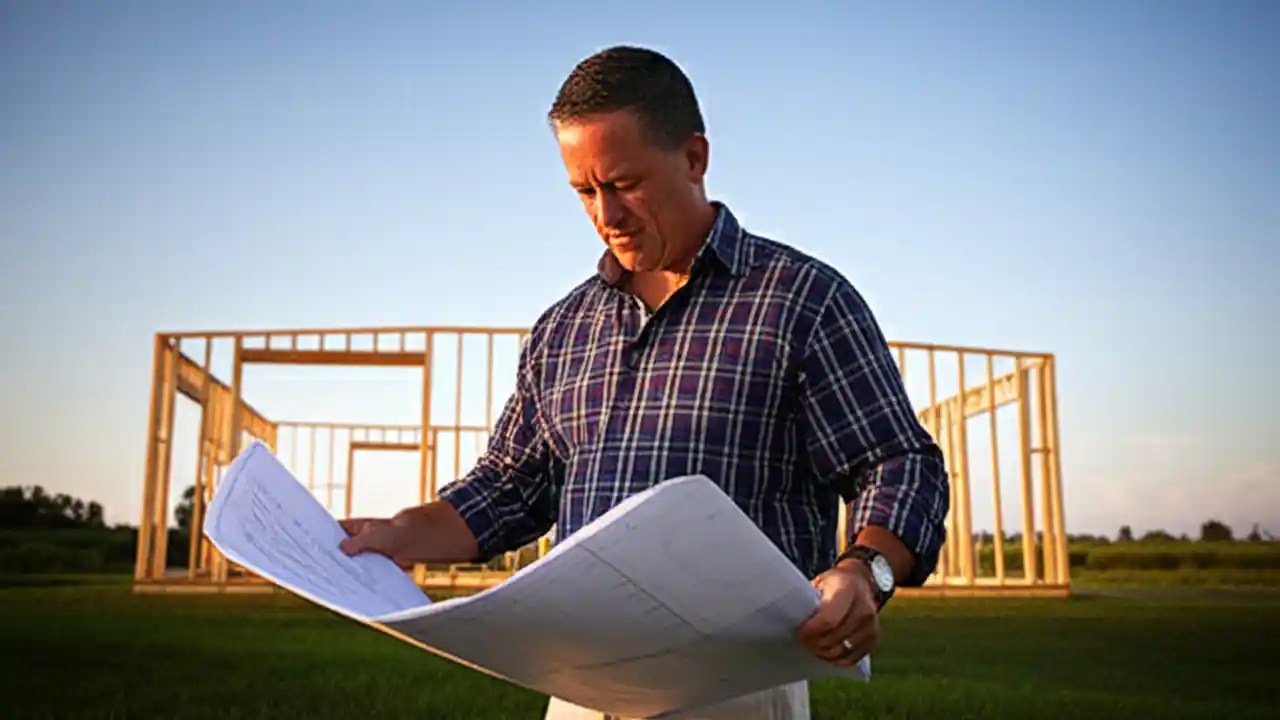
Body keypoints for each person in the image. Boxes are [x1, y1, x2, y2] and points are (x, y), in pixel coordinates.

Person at [340, 45, 950, 719]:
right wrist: (400, 534)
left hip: (735, 690)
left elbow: (897, 462)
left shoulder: (802, 301)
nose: (606, 214)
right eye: (583, 190)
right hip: (578, 689)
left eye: (625, 183)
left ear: (694, 158)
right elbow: (512, 486)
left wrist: (867, 571)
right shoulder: (562, 328)